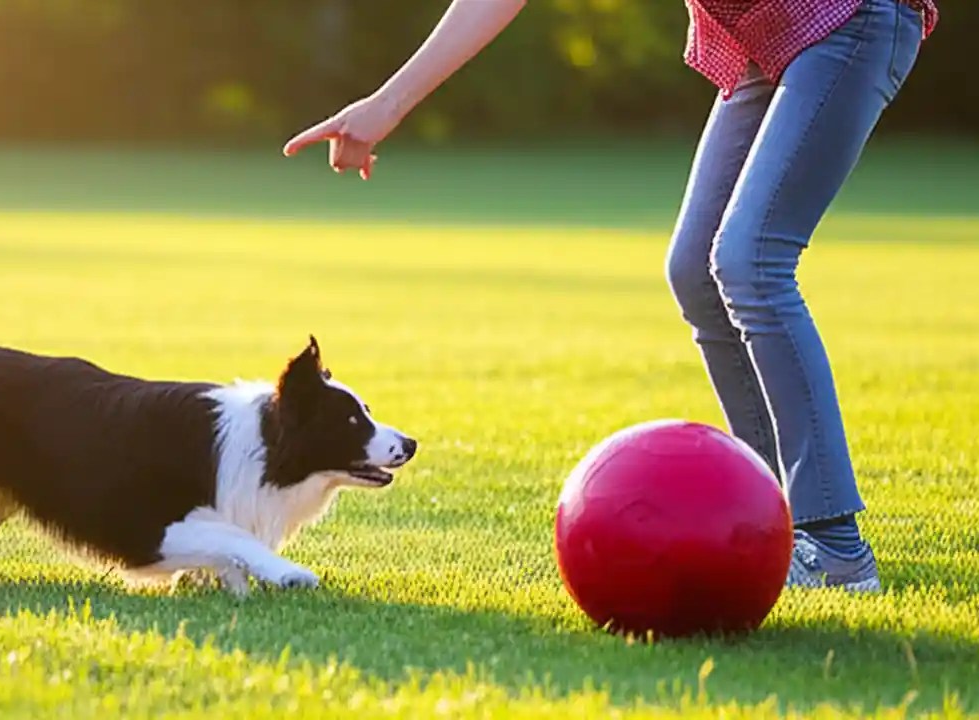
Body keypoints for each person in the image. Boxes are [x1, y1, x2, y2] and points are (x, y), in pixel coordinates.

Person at [282, 0, 937, 592]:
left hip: (849, 20)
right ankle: (774, 525)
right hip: (770, 41)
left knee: (749, 261)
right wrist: (386, 106)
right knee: (695, 270)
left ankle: (836, 550)